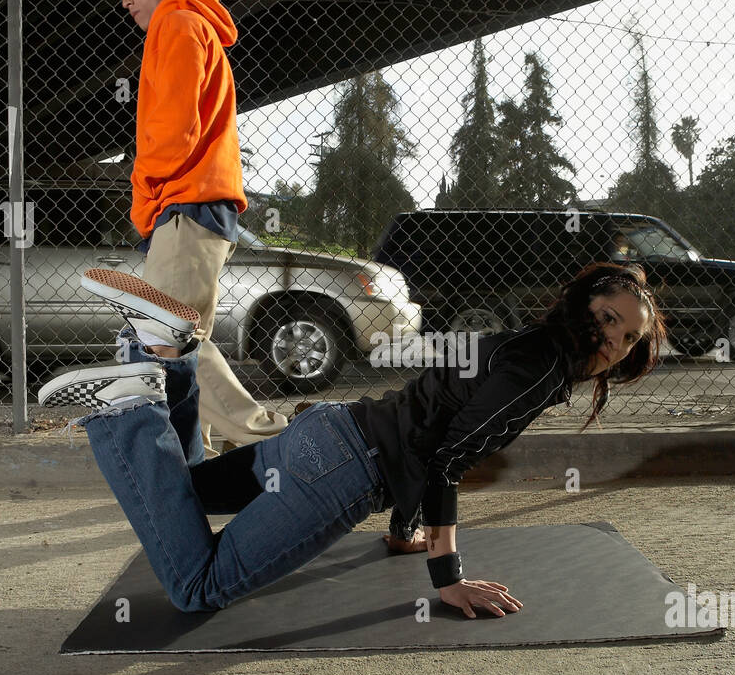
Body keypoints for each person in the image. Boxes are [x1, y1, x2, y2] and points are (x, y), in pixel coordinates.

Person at [38, 262, 666, 618]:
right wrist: (447, 575)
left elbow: (430, 421)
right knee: (197, 587)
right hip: (338, 470)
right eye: (609, 319)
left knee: (184, 494)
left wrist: (400, 528)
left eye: (631, 338)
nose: (615, 341)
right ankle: (128, 410)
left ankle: (165, 349)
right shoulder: (542, 372)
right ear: (581, 306)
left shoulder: (521, 346)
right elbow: (447, 458)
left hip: (330, 429)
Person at [116, 0, 289, 457]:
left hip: (186, 204)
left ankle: (273, 437)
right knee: (182, 336)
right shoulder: (190, 25)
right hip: (198, 207)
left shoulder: (178, 23)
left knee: (170, 341)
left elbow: (174, 127)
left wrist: (143, 188)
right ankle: (205, 463)